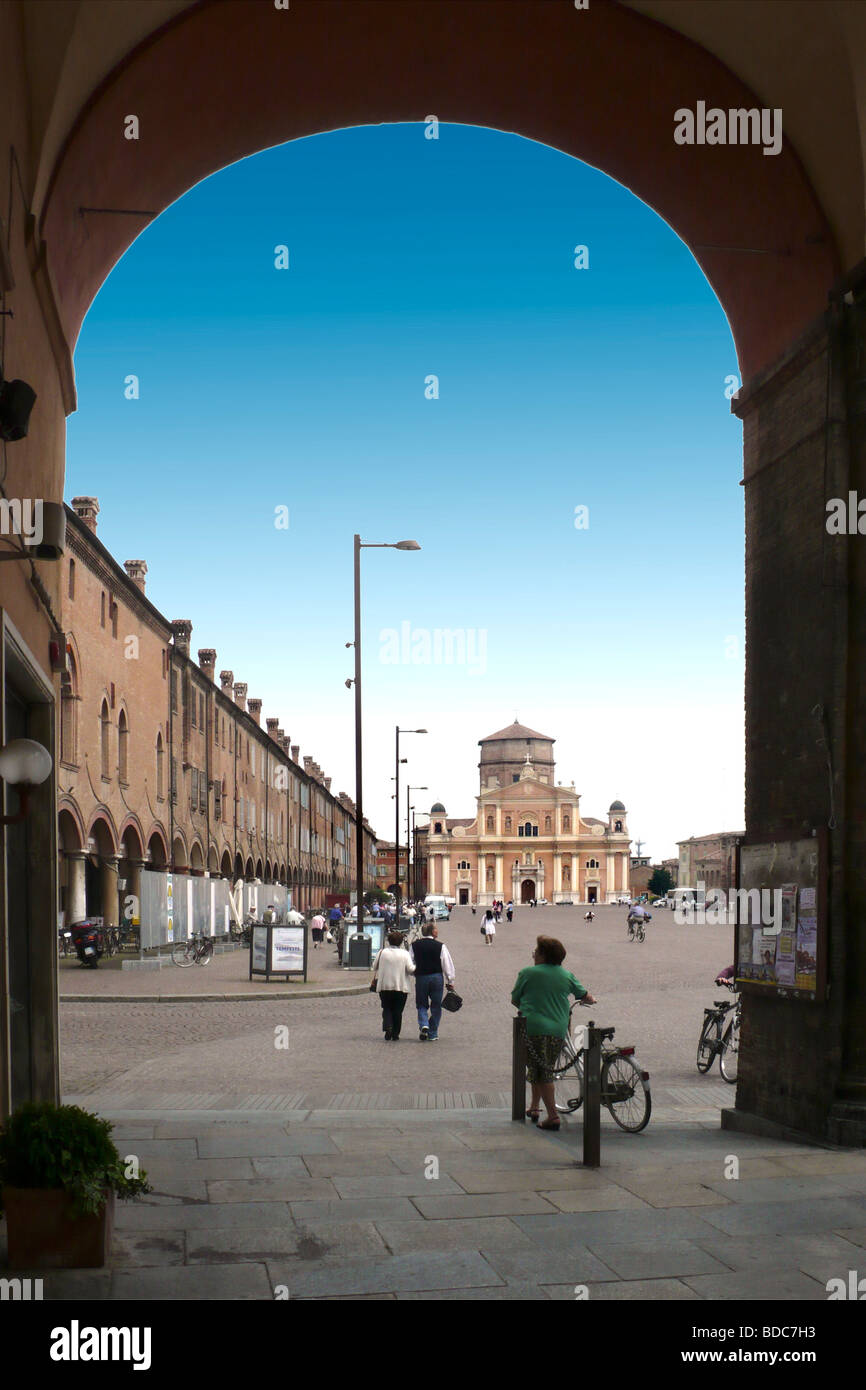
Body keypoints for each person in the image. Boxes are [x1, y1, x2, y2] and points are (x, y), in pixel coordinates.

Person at [511, 936, 596, 1130]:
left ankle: (553, 1116)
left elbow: (515, 999)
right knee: (541, 1067)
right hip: (558, 1029)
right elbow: (584, 995)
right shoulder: (566, 975)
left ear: (543, 955)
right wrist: (591, 999)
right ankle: (534, 1107)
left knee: (542, 1071)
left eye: (536, 951)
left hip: (532, 1028)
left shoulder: (527, 973)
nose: (534, 954)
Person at [411, 921, 456, 1041]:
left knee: (421, 1003)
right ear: (432, 932)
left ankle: (424, 1024)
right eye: (436, 929)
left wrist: (414, 972)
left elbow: (410, 961)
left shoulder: (414, 945)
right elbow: (447, 964)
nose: (438, 931)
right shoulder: (441, 946)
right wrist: (450, 980)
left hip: (421, 977)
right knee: (436, 1005)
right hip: (436, 977)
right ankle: (432, 1032)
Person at [371, 929, 416, 1040]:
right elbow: (411, 969)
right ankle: (395, 1033)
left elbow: (374, 966)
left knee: (386, 1007)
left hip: (385, 986)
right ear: (400, 942)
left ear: (389, 941)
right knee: (398, 1010)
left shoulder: (382, 952)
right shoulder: (404, 954)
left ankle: (388, 1026)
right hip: (400, 986)